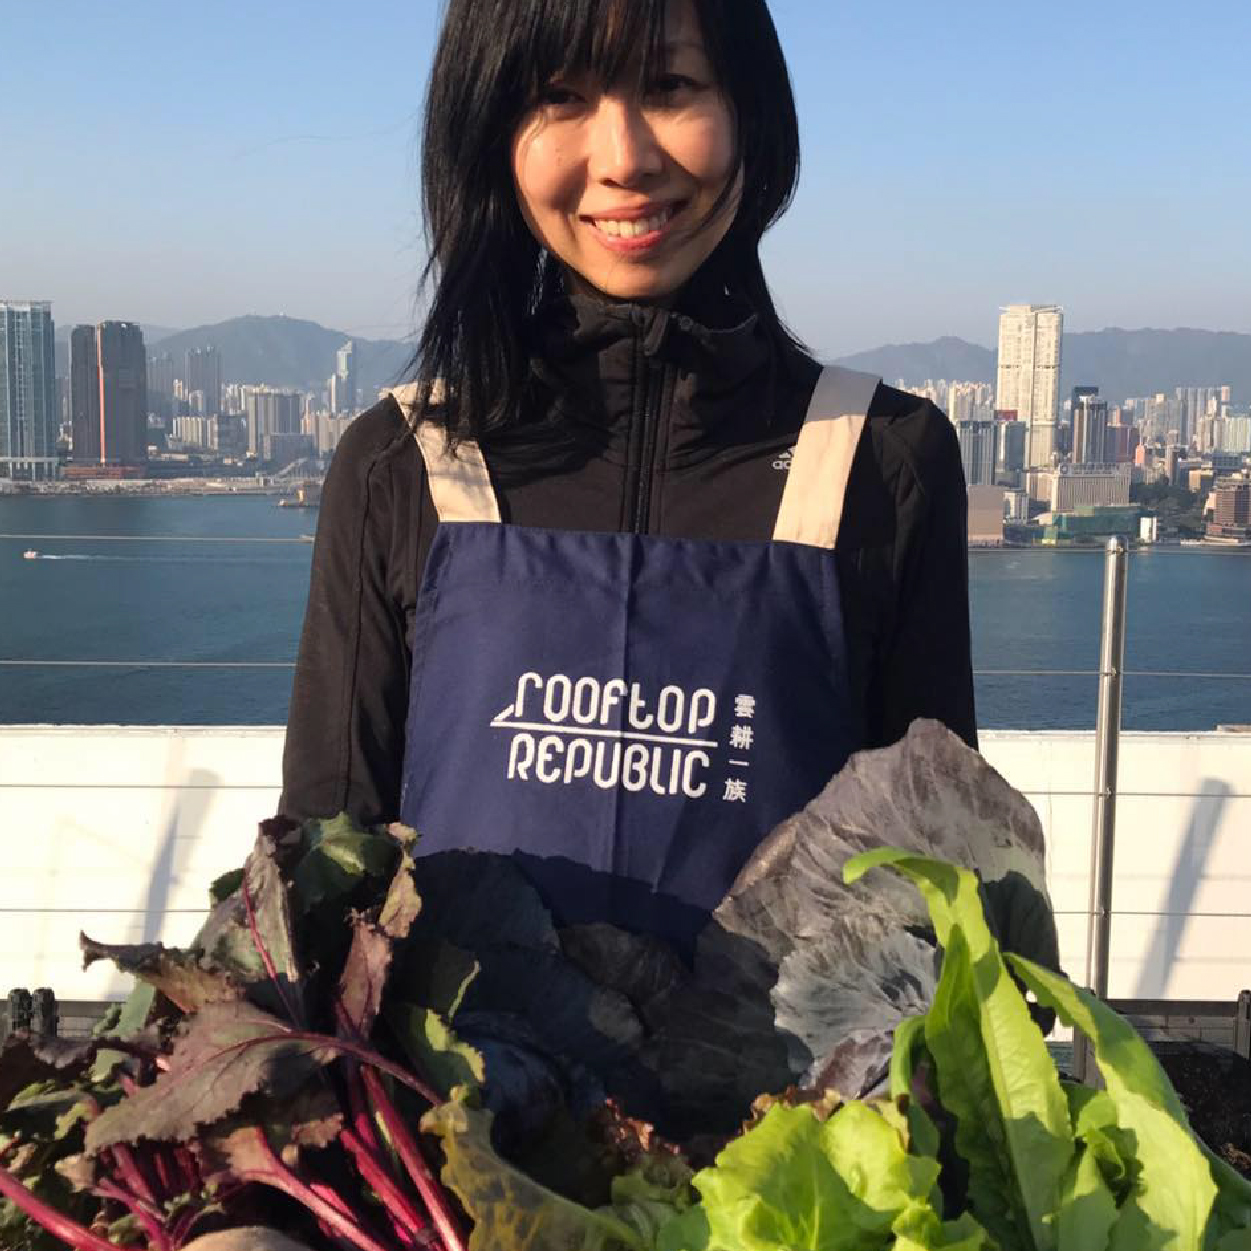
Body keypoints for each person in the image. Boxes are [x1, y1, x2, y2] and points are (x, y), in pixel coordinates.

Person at [280, 0, 976, 947]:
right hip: (461, 1094)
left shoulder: (882, 456)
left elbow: (937, 892)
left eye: (669, 86)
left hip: (790, 1096)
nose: (623, 156)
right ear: (489, 133)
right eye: (558, 96)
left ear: (749, 113)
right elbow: (322, 872)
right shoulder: (401, 463)